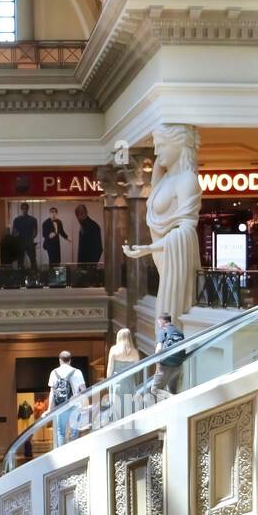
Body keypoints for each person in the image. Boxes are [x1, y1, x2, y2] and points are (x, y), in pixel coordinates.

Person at [123, 125, 202, 321]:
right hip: (164, 260)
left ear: (178, 145)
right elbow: (158, 166)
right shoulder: (166, 178)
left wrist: (149, 248)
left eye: (162, 145)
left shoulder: (187, 180)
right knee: (163, 313)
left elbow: (186, 231)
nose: (157, 151)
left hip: (175, 259)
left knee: (167, 315)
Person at [47, 350, 86, 448]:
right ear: (70, 360)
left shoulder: (54, 373)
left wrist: (49, 409)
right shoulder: (77, 372)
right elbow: (84, 390)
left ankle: (62, 458)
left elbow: (52, 392)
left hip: (61, 406)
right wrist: (85, 405)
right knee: (74, 432)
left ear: (60, 360)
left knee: (60, 432)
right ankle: (74, 456)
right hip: (75, 405)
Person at [150, 313, 186, 401]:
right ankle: (175, 404)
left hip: (165, 366)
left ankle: (173, 399)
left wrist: (157, 363)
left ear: (163, 321)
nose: (159, 325)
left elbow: (158, 349)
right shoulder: (179, 332)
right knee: (173, 390)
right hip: (178, 365)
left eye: (159, 323)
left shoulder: (163, 331)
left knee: (155, 389)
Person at [106, 327, 141, 419]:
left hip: (116, 381)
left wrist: (108, 382)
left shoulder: (114, 349)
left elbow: (110, 367)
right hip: (129, 381)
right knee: (129, 405)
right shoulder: (134, 352)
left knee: (116, 404)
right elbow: (138, 368)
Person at [12, 201, 39, 272]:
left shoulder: (33, 219)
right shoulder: (17, 220)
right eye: (23, 208)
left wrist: (30, 238)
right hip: (21, 242)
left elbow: (35, 232)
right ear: (21, 209)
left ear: (28, 209)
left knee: (33, 261)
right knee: (20, 262)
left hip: (28, 242)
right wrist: (16, 238)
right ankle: (21, 279)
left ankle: (34, 276)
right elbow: (14, 232)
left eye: (25, 208)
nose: (24, 210)